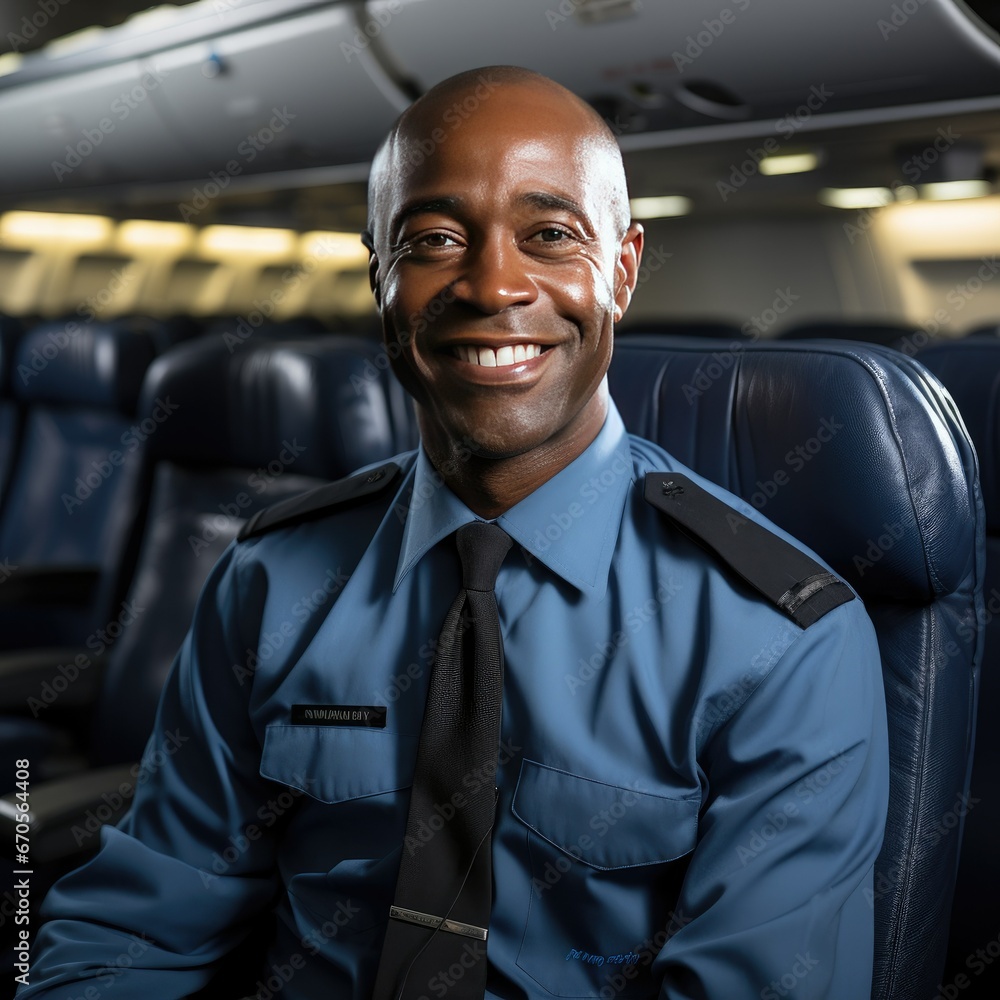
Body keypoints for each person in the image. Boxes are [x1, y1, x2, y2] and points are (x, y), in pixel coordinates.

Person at [19, 66, 888, 999]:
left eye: (550, 236)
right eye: (435, 239)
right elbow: (143, 922)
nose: (492, 285)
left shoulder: (783, 642)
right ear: (378, 278)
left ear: (623, 270)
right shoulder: (272, 580)